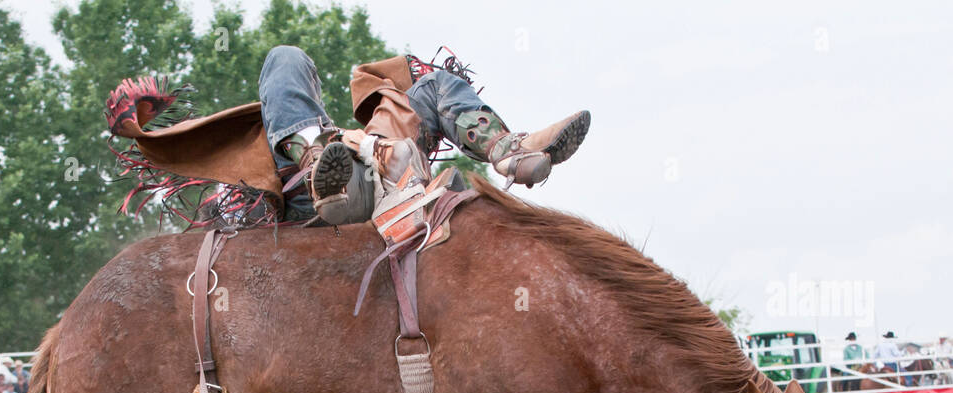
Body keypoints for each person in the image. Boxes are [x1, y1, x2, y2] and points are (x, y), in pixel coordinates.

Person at [108, 46, 591, 234]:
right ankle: (325, 175)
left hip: (376, 166)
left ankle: (511, 153)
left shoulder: (359, 130)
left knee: (431, 87)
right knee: (284, 58)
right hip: (306, 198)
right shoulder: (246, 171)